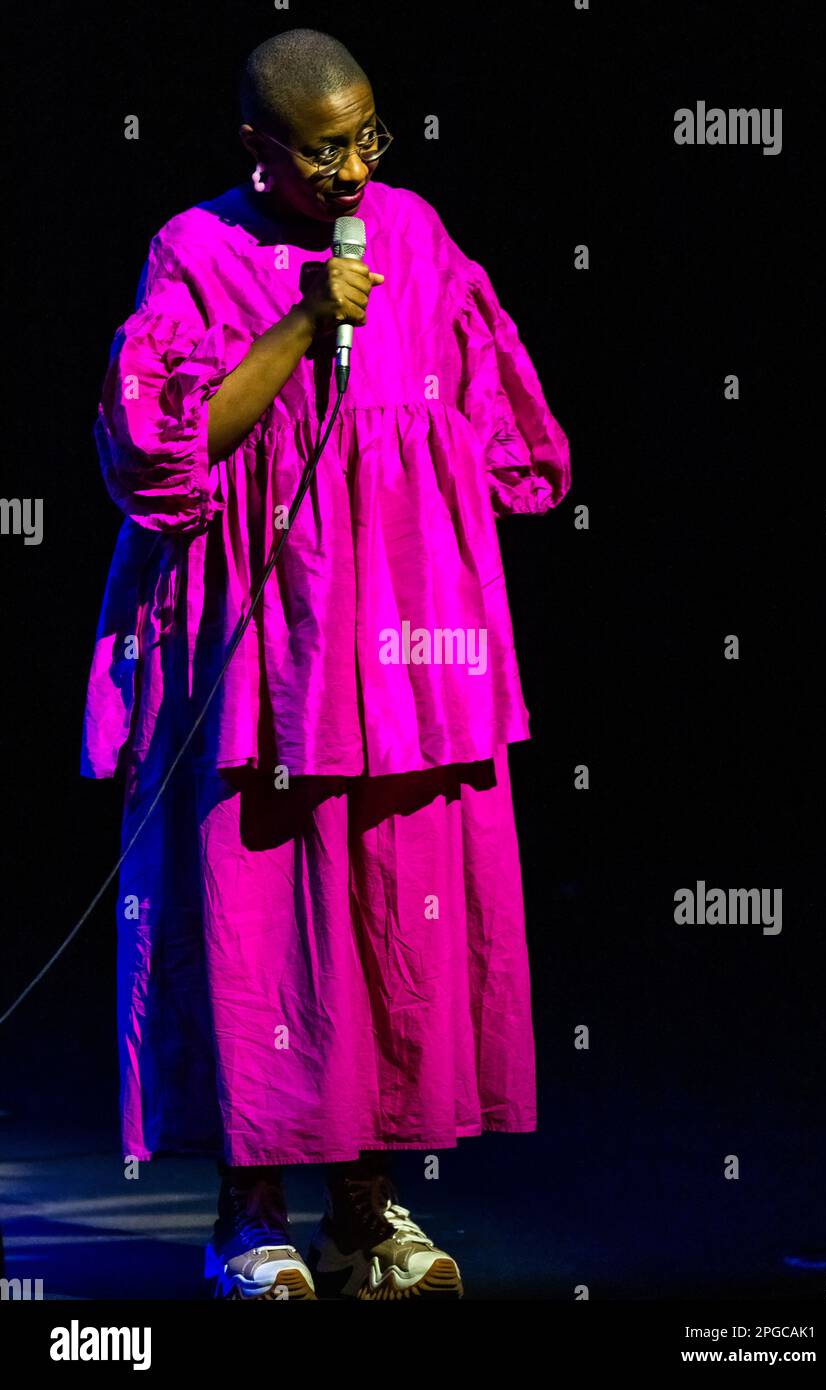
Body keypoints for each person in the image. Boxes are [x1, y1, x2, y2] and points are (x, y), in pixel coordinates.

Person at [81, 27, 571, 1301]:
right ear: (258, 149)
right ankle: (247, 1218)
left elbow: (511, 444)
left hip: (398, 658)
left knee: (384, 918)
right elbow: (162, 465)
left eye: (365, 138)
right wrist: (302, 326)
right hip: (263, 658)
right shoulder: (193, 254)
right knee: (261, 924)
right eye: (320, 149)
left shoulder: (413, 234)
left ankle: (368, 1209)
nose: (351, 169)